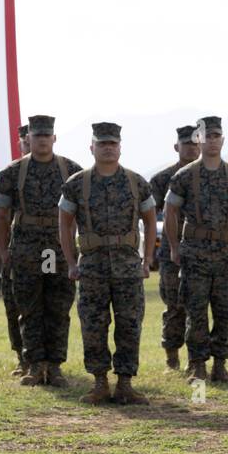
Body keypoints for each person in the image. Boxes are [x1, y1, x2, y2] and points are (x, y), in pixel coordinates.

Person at [58, 122, 158, 405]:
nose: (108, 148)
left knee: (129, 324)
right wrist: (70, 262)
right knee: (93, 325)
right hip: (92, 267)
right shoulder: (76, 184)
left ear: (120, 147)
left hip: (128, 268)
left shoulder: (137, 182)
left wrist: (148, 259)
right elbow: (64, 225)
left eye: (112, 143)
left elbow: (151, 221)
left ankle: (125, 384)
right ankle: (100, 383)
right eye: (102, 143)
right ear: (92, 148)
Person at [0, 115, 83, 387]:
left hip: (57, 249)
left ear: (54, 138)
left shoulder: (72, 171)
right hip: (26, 250)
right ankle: (34, 364)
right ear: (28, 139)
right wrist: (2, 250)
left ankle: (54, 366)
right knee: (29, 307)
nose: (42, 140)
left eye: (46, 136)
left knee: (58, 307)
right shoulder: (12, 172)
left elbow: (84, 211)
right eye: (37, 136)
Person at [163, 116, 228, 383]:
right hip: (195, 255)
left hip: (226, 255)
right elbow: (170, 211)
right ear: (198, 140)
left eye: (216, 136)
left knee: (225, 311)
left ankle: (220, 365)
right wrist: (174, 246)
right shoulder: (184, 176)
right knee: (196, 311)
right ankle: (197, 365)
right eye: (207, 136)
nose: (212, 141)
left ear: (222, 140)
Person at [148, 125, 201, 370]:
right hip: (173, 250)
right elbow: (149, 215)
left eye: (195, 144)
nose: (191, 148)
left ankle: (197, 360)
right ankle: (172, 357)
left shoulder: (209, 176)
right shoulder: (162, 179)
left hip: (203, 250)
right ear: (176, 147)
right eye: (186, 144)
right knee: (174, 304)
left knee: (199, 306)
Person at [0, 125, 30, 376]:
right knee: (14, 305)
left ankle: (45, 359)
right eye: (25, 141)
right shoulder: (8, 174)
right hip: (13, 250)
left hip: (46, 250)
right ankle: (22, 356)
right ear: (20, 143)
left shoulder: (58, 170)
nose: (29, 145)